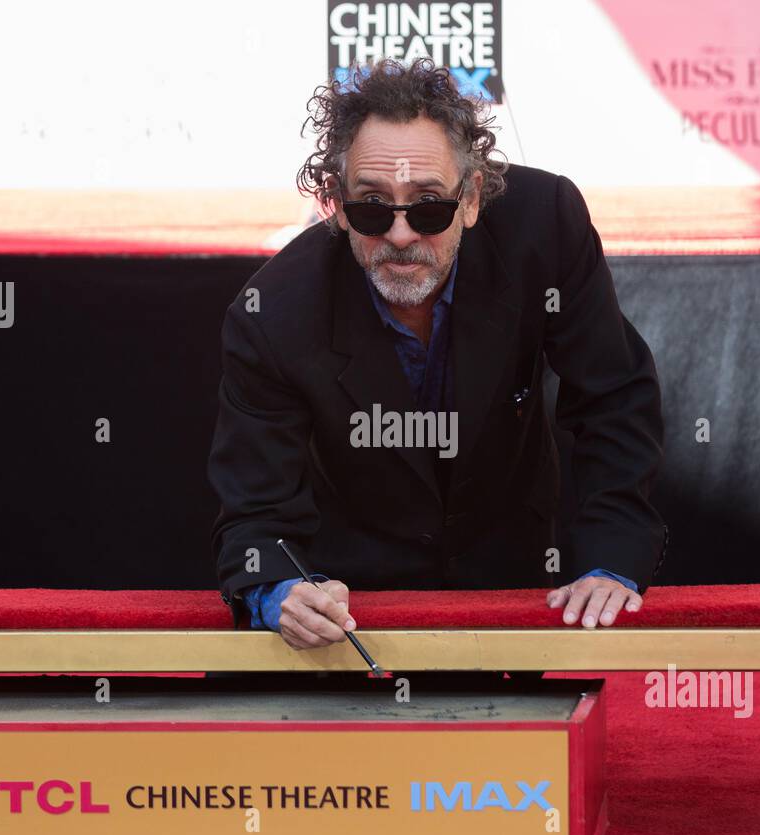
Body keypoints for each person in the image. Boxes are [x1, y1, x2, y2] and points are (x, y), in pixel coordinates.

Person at [208, 57, 666, 651]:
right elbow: (255, 506)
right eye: (372, 206)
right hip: (354, 613)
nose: (401, 235)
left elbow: (614, 394)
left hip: (517, 582)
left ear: (472, 197)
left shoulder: (544, 225)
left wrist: (610, 556)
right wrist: (279, 592)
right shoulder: (273, 313)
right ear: (338, 205)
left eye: (429, 206)